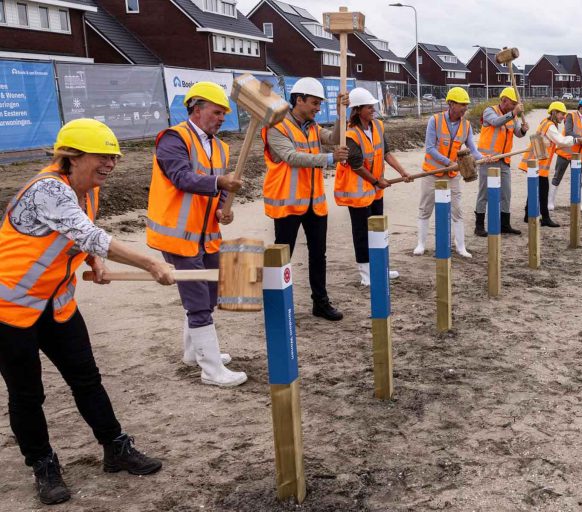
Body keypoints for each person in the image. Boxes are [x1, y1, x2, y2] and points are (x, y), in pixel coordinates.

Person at [0, 119, 173, 505]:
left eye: (113, 157)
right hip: (10, 311)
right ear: (72, 157)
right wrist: (150, 264)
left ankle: (115, 447)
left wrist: (93, 260)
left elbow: (81, 235)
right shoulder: (48, 188)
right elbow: (90, 233)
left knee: (87, 379)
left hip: (57, 305)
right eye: (102, 156)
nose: (110, 164)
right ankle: (43, 464)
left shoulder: (87, 190)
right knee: (27, 393)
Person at [147, 82, 246, 387]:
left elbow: (213, 191)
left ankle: (194, 352)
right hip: (178, 237)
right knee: (199, 301)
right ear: (197, 108)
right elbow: (181, 177)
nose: (222, 119)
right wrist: (220, 183)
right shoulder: (173, 138)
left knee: (209, 295)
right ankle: (211, 369)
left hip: (206, 234)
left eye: (224, 114)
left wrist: (221, 209)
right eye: (217, 112)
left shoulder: (221, 146)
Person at [262, 77, 347, 321]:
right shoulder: (276, 126)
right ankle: (277, 305)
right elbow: (291, 157)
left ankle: (320, 303)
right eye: (314, 103)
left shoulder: (312, 125)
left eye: (320, 104)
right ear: (298, 100)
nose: (318, 108)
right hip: (287, 203)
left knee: (318, 254)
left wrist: (342, 114)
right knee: (282, 257)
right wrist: (330, 159)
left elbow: (332, 138)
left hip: (314, 203)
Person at [334, 87, 412, 285]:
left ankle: (381, 267)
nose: (373, 109)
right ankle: (366, 274)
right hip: (358, 193)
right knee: (361, 233)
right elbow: (357, 165)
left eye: (373, 106)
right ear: (358, 109)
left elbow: (386, 153)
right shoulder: (350, 135)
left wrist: (402, 172)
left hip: (376, 191)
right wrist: (377, 181)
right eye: (369, 107)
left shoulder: (378, 126)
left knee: (378, 231)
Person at [414, 87, 487, 258]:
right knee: (425, 208)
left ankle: (460, 247)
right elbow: (430, 148)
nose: (465, 108)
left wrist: (485, 158)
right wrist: (450, 163)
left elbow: (472, 149)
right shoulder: (435, 120)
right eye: (462, 104)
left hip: (453, 175)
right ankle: (421, 244)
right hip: (432, 172)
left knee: (457, 210)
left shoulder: (466, 125)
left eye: (466, 105)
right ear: (451, 104)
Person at [474, 86, 529, 237]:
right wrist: (513, 113)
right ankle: (479, 225)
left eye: (515, 105)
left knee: (506, 193)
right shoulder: (489, 111)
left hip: (504, 160)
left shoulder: (513, 116)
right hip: (487, 159)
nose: (514, 107)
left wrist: (523, 129)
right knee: (484, 193)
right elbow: (496, 122)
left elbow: (518, 133)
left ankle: (505, 224)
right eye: (512, 104)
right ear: (504, 101)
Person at [519, 101, 581, 227]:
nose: (563, 117)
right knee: (543, 190)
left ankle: (527, 215)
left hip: (536, 162)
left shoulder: (546, 123)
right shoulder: (550, 126)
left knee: (535, 189)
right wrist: (576, 140)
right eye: (561, 114)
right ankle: (545, 218)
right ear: (554, 112)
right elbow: (560, 140)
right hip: (537, 163)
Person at [549, 96, 582, 212]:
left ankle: (578, 204)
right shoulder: (570, 116)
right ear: (581, 108)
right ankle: (550, 202)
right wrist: (580, 138)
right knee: (557, 177)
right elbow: (568, 132)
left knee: (578, 180)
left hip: (579, 156)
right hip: (565, 153)